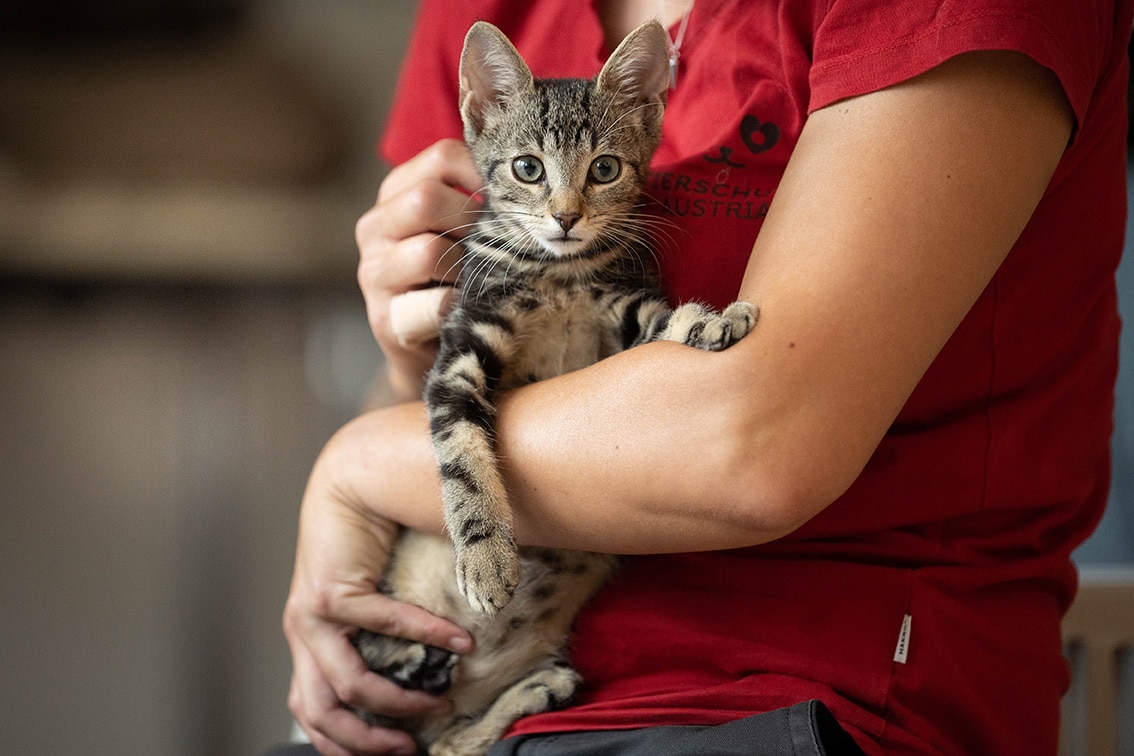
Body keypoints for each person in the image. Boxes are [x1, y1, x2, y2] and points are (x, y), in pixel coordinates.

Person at [279, 0, 1133, 753]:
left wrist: (353, 469)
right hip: (486, 686)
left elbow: (758, 448)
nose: (567, 205)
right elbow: (419, 403)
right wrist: (403, 367)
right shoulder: (493, 17)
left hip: (801, 698)